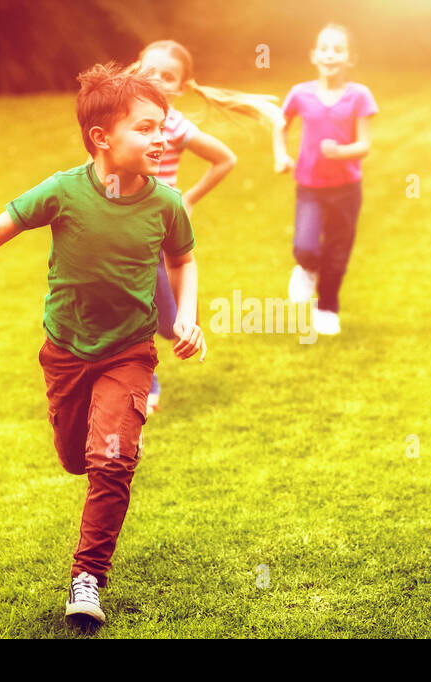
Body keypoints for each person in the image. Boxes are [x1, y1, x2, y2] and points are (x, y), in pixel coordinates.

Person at [0, 63, 205, 627]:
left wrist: (186, 319)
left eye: (164, 127)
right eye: (146, 128)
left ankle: (88, 577)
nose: (162, 138)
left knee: (111, 463)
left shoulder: (166, 204)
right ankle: (110, 445)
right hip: (67, 351)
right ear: (102, 138)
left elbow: (183, 262)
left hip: (130, 351)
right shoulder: (64, 191)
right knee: (78, 458)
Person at [131, 39, 280, 415]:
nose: (157, 80)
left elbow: (225, 159)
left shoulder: (175, 124)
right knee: (131, 308)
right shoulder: (120, 115)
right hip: (121, 232)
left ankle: (183, 315)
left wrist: (189, 198)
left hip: (158, 229)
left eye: (168, 76)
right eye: (150, 71)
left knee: (170, 324)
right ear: (136, 69)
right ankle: (145, 384)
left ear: (180, 87)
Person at [274, 23, 377, 336]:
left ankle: (328, 308)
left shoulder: (359, 96)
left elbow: (365, 145)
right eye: (324, 48)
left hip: (346, 189)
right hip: (309, 186)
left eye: (338, 49)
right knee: (305, 245)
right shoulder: (300, 93)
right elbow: (280, 125)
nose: (330, 54)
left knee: (337, 251)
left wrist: (340, 152)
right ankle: (306, 267)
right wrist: (280, 155)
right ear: (313, 55)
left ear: (350, 58)